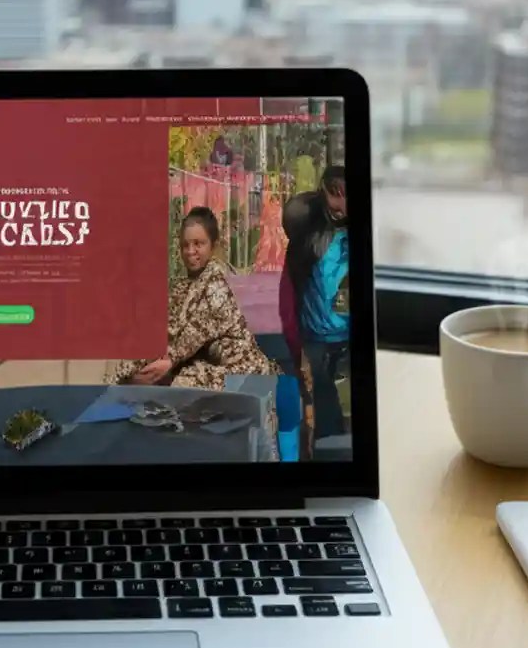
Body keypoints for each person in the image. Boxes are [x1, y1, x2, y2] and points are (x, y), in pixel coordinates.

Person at [106, 207, 277, 390]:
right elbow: (168, 329)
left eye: (198, 244)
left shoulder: (215, 287)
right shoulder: (186, 285)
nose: (190, 251)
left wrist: (164, 363)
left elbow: (189, 337)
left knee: (183, 383)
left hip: (243, 372)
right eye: (185, 245)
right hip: (211, 363)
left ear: (213, 245)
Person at [293, 165, 349, 442]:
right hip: (317, 334)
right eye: (334, 194)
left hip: (347, 336)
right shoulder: (312, 234)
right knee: (323, 404)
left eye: (345, 194)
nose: (340, 203)